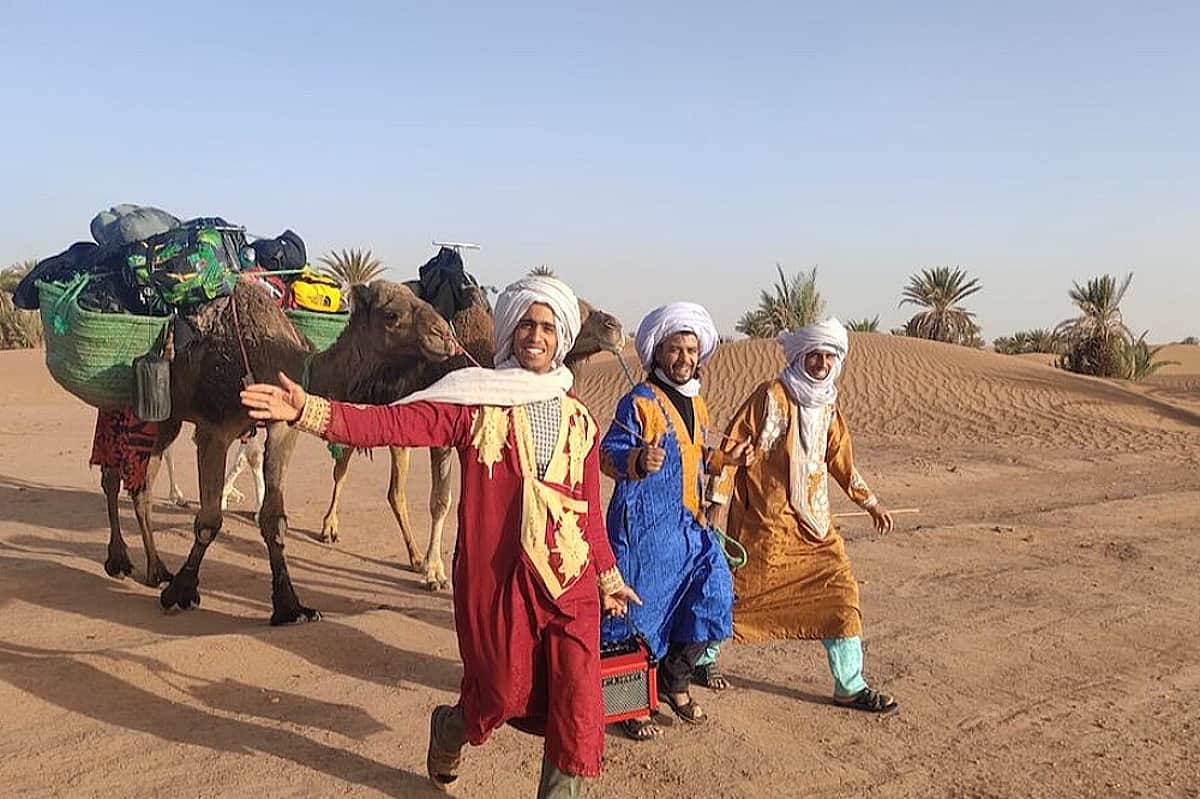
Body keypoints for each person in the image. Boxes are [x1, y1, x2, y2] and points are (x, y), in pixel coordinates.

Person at [241, 275, 641, 797]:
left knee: (577, 704)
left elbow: (587, 509)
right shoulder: (473, 401)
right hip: (500, 583)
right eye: (526, 324)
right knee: (497, 694)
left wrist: (608, 578)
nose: (536, 336)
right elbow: (390, 425)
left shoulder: (580, 419)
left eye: (547, 327)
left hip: (571, 586)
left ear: (562, 337)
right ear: (510, 331)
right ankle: (449, 731)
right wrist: (309, 411)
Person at [707, 318, 899, 713]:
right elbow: (732, 447)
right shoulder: (771, 396)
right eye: (815, 355)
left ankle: (850, 685)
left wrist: (871, 503)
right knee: (740, 594)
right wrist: (716, 503)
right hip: (768, 526)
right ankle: (699, 657)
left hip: (817, 529)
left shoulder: (828, 405)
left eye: (829, 357)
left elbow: (841, 463)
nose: (822, 364)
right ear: (800, 356)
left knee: (841, 594)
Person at [598, 302, 753, 740]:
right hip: (643, 531)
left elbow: (695, 455)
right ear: (658, 353)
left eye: (691, 350)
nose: (684, 358)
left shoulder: (696, 403)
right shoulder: (638, 402)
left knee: (715, 593)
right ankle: (628, 706)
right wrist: (636, 458)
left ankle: (673, 679)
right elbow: (607, 454)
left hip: (688, 527)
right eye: (675, 349)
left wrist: (725, 459)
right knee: (636, 618)